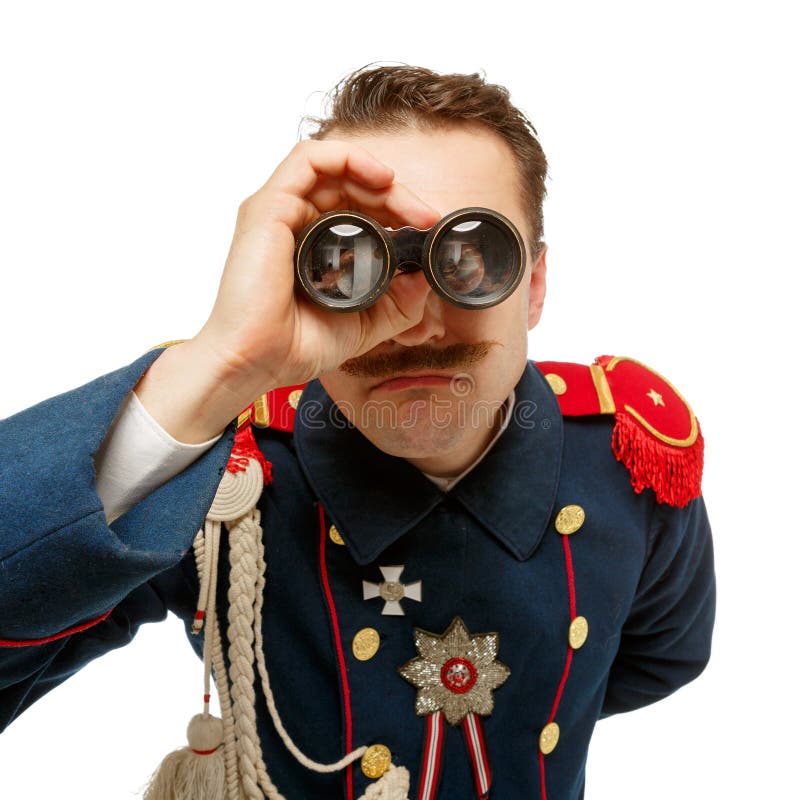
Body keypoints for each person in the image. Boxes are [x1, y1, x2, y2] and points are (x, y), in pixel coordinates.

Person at [0, 65, 715, 800]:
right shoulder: (230, 482)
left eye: (468, 259)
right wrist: (218, 367)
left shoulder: (625, 457)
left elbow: (662, 657)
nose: (415, 325)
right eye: (352, 265)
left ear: (531, 286)